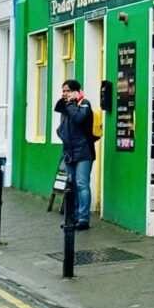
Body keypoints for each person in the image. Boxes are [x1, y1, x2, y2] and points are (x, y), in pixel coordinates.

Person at [54, 78, 96, 227]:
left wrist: (71, 103)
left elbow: (79, 119)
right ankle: (72, 218)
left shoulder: (84, 104)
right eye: (63, 91)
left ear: (77, 91)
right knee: (71, 186)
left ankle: (83, 219)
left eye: (68, 91)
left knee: (82, 184)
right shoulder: (66, 105)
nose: (65, 94)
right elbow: (63, 124)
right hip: (69, 151)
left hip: (84, 152)